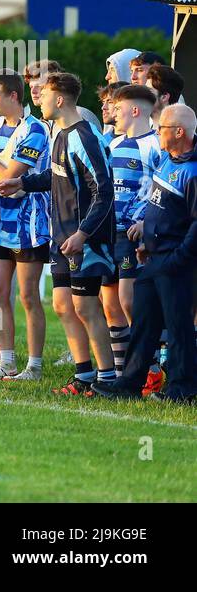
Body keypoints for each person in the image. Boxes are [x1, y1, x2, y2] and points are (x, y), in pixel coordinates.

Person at [0, 72, 117, 396]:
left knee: (87, 308)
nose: (40, 100)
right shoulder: (61, 134)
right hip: (63, 236)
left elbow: (103, 191)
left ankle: (107, 379)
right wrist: (22, 183)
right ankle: (84, 375)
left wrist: (83, 233)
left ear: (60, 99)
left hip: (86, 237)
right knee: (64, 306)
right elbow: (56, 176)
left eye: (45, 94)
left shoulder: (85, 135)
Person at [92, 104, 197, 403]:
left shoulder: (193, 169)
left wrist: (178, 258)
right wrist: (145, 239)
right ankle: (131, 382)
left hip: (176, 261)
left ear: (179, 132)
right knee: (144, 321)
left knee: (178, 327)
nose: (157, 131)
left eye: (162, 127)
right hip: (152, 257)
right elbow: (158, 205)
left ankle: (182, 389)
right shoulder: (168, 158)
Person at [0, 69, 51, 380]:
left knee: (28, 295)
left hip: (29, 223)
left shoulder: (34, 129)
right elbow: (4, 182)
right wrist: (0, 172)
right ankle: (5, 361)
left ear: (13, 96)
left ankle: (33, 365)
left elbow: (8, 177)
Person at [100, 83, 164, 372]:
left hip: (133, 233)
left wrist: (145, 222)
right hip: (107, 232)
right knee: (109, 301)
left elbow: (163, 189)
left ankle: (149, 368)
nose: (113, 113)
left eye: (119, 108)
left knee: (129, 299)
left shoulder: (155, 145)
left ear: (135, 110)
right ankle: (118, 370)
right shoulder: (110, 144)